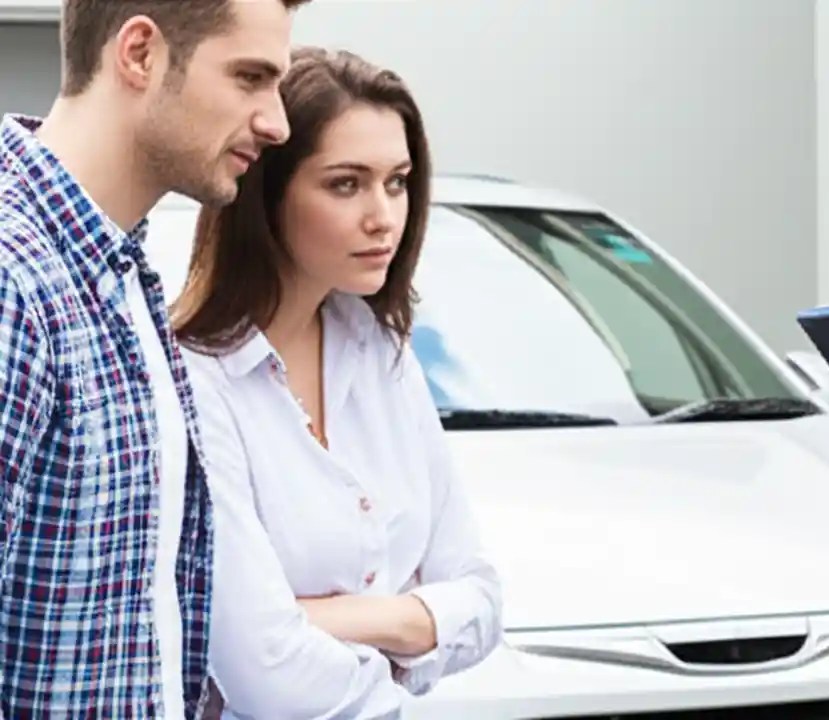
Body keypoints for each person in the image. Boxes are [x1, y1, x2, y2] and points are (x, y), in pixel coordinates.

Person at [171, 46, 503, 718]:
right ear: (267, 194)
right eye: (346, 184)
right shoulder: (197, 381)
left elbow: (484, 600)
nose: (383, 216)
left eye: (399, 181)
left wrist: (332, 617)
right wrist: (412, 621)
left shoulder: (383, 357)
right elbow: (260, 669)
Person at [0, 0, 304, 717]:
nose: (277, 122)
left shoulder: (120, 271)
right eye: (250, 77)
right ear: (139, 53)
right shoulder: (14, 280)